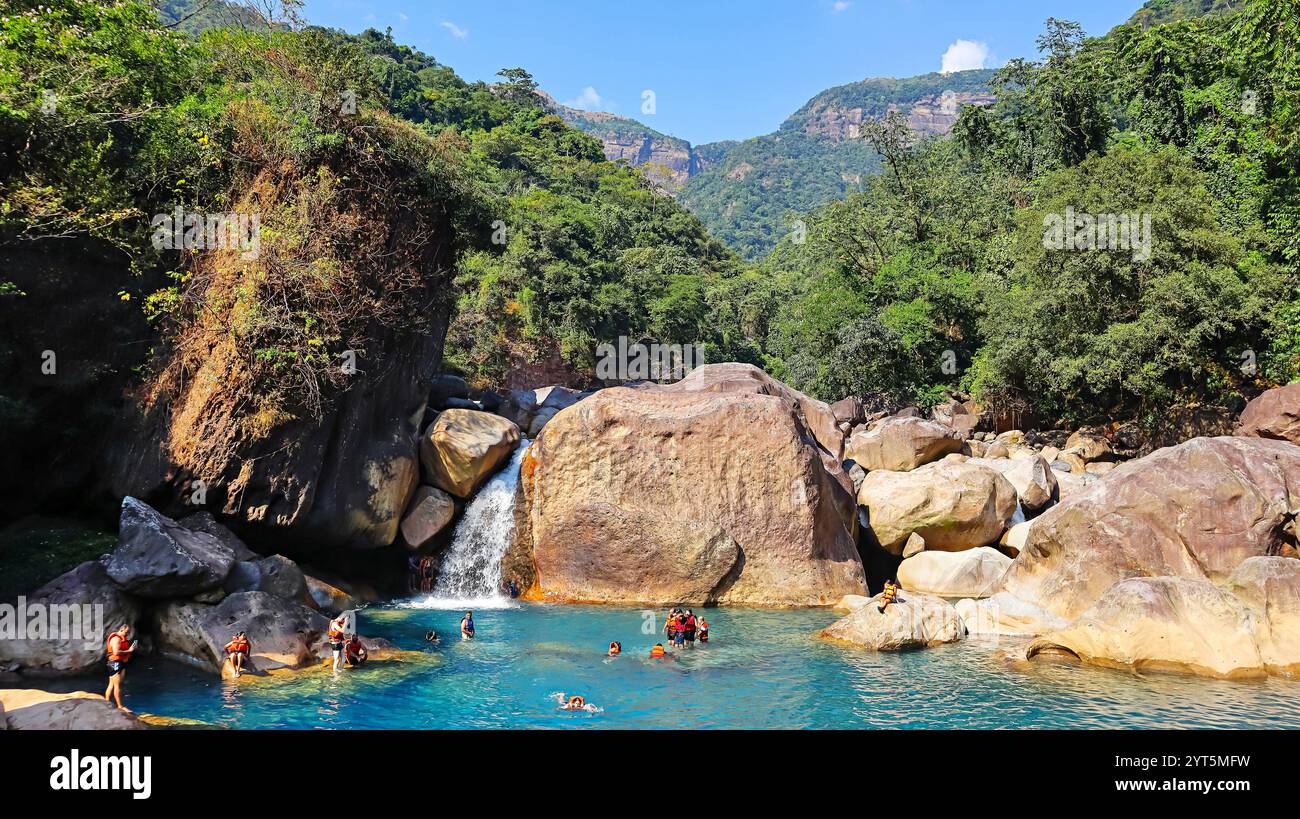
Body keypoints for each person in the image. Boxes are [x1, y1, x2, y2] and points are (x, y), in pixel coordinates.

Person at [103, 625, 135, 710]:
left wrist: (130, 650)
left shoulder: (121, 638)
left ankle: (106, 702)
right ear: (121, 630)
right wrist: (129, 651)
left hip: (118, 662)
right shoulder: (116, 639)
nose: (127, 634)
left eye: (128, 632)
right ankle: (120, 706)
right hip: (114, 663)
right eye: (126, 632)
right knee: (117, 686)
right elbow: (116, 652)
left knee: (111, 685)